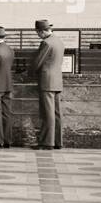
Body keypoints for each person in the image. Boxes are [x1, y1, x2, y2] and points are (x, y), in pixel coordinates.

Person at [31, 19, 64, 149]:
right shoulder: (59, 41)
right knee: (56, 113)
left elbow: (38, 62)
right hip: (56, 80)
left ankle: (46, 143)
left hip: (47, 81)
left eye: (38, 33)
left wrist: (28, 72)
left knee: (47, 113)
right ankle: (57, 142)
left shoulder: (46, 43)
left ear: (43, 31)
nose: (38, 36)